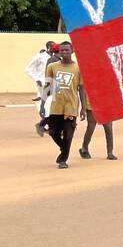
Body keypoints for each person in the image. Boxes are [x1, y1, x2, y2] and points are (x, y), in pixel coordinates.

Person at [44, 41, 85, 169]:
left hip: (71, 107)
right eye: (62, 50)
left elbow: (81, 89)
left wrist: (83, 107)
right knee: (53, 132)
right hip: (56, 106)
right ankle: (64, 149)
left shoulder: (78, 68)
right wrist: (42, 104)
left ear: (72, 51)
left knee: (68, 134)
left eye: (67, 50)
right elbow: (47, 85)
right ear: (58, 52)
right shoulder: (52, 67)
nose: (64, 52)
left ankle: (63, 159)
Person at [26, 41, 59, 136]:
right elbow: (28, 69)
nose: (55, 47)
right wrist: (36, 79)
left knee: (52, 104)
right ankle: (45, 125)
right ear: (48, 47)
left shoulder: (55, 57)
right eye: (53, 46)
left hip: (52, 82)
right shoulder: (40, 56)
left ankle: (46, 125)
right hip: (42, 83)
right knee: (47, 104)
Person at [78, 87, 117, 161]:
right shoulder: (88, 76)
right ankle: (84, 148)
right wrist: (84, 107)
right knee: (91, 128)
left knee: (108, 128)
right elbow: (83, 89)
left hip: (106, 105)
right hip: (92, 104)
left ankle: (110, 152)